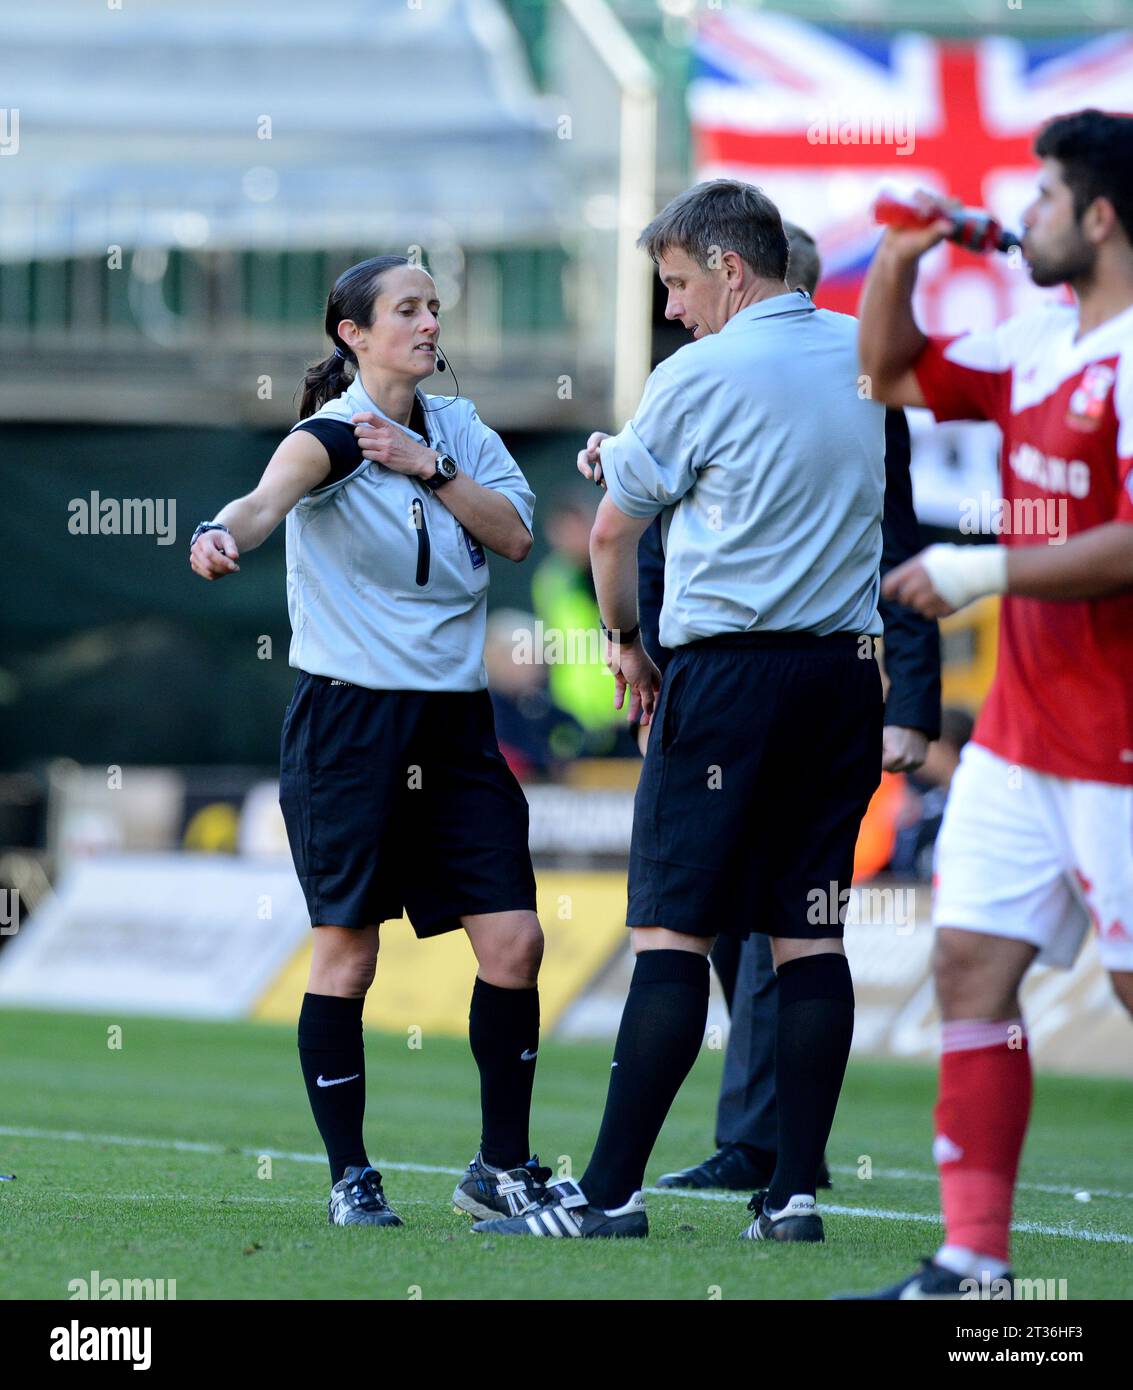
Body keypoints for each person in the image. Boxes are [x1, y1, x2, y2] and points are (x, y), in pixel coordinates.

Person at [471, 179, 887, 1242]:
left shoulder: (696, 372)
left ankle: (606, 1193)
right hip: (842, 674)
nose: (670, 307)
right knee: (810, 936)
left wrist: (623, 643)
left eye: (675, 282)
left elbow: (611, 534)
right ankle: (791, 1195)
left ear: (729, 270)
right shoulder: (864, 356)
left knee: (667, 932)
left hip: (728, 679)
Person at [189, 254, 551, 1229]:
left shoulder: (459, 430)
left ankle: (500, 1167)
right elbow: (261, 502)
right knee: (347, 956)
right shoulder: (330, 435)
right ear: (352, 332)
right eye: (408, 309)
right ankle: (351, 1173)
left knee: (515, 939)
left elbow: (514, 536)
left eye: (435, 306)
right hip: (350, 723)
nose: (430, 322)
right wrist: (217, 533)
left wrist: (424, 463)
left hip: (454, 720)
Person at [844, 108, 1133, 1299]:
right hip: (1020, 734)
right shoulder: (1035, 338)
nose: (1024, 218)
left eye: (1044, 199)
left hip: (1118, 744)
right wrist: (904, 258)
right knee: (968, 969)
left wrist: (982, 568)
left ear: (1099, 217)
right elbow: (885, 369)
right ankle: (973, 1266)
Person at [648, 222, 942, 1194]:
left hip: (769, 683)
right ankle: (762, 1152)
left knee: (770, 929)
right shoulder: (725, 378)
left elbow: (897, 543)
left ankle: (771, 1155)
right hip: (754, 686)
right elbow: (662, 535)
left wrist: (917, 702)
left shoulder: (836, 381)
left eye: (684, 286)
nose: (676, 309)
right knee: (764, 932)